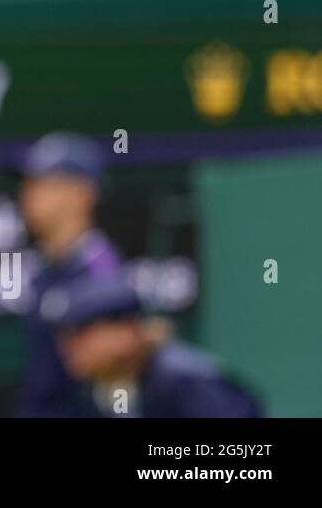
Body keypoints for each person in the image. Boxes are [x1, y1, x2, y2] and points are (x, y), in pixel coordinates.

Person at [17, 132, 123, 418]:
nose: (30, 193)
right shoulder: (44, 272)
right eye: (29, 182)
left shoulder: (102, 273)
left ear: (82, 194)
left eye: (47, 183)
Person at [48, 276, 262, 418]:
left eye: (82, 332)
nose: (69, 346)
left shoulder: (187, 383)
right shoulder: (97, 391)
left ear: (126, 331)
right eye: (65, 335)